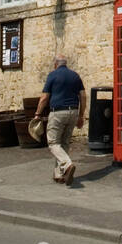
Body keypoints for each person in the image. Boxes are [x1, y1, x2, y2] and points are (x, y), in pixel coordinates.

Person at [33, 55, 85, 186]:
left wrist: (37, 114)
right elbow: (83, 96)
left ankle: (67, 164)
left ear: (56, 64)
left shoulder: (52, 75)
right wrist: (81, 115)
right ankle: (60, 174)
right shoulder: (75, 76)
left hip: (58, 112)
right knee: (64, 142)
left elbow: (45, 97)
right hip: (73, 111)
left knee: (53, 143)